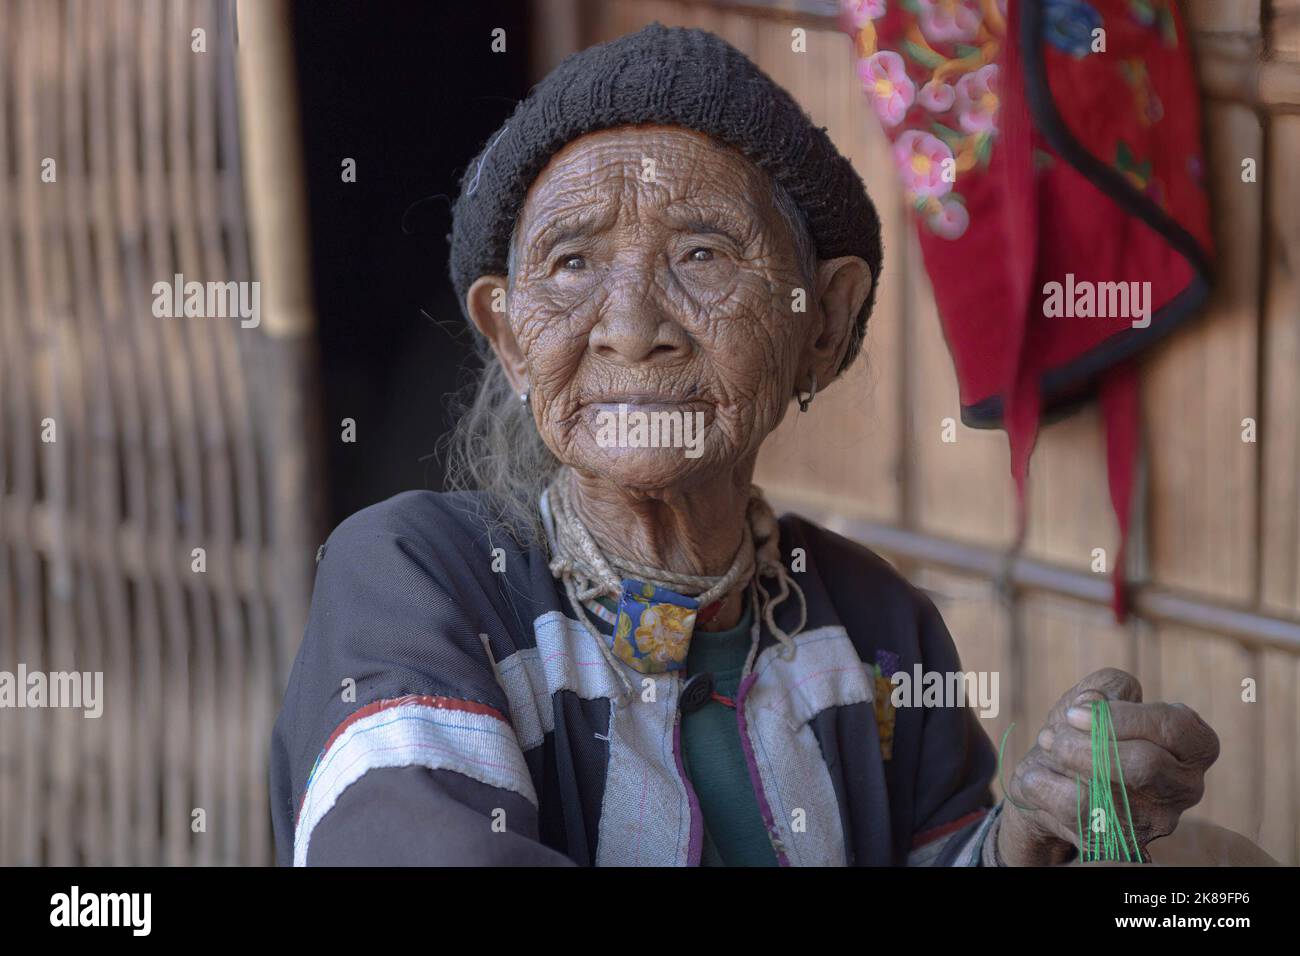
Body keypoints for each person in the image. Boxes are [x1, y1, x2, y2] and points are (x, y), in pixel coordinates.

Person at [270, 23, 1218, 867]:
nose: (632, 326)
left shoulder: (880, 628)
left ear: (823, 323)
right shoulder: (418, 578)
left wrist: (1029, 835)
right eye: (571, 262)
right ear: (513, 338)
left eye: (703, 253)